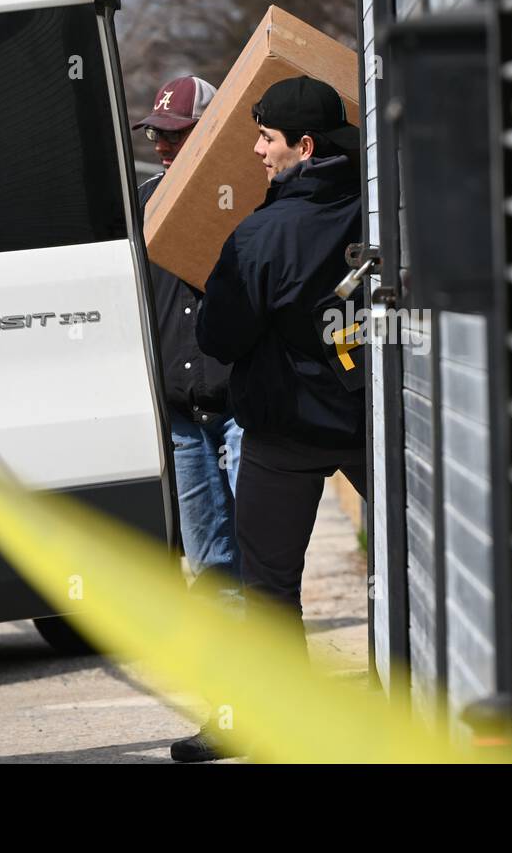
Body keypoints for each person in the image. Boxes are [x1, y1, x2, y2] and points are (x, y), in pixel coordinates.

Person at [197, 75, 367, 656]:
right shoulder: (381, 211)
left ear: (306, 147)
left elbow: (218, 335)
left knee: (268, 591)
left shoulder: (262, 236)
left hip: (284, 433)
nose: (257, 150)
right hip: (371, 424)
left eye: (267, 137)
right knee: (412, 562)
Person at [132, 75, 244, 596]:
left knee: (263, 551)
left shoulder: (245, 199)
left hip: (242, 406)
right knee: (206, 565)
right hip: (181, 416)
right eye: (156, 133)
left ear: (208, 132)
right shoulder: (141, 206)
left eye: (175, 133)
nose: (161, 144)